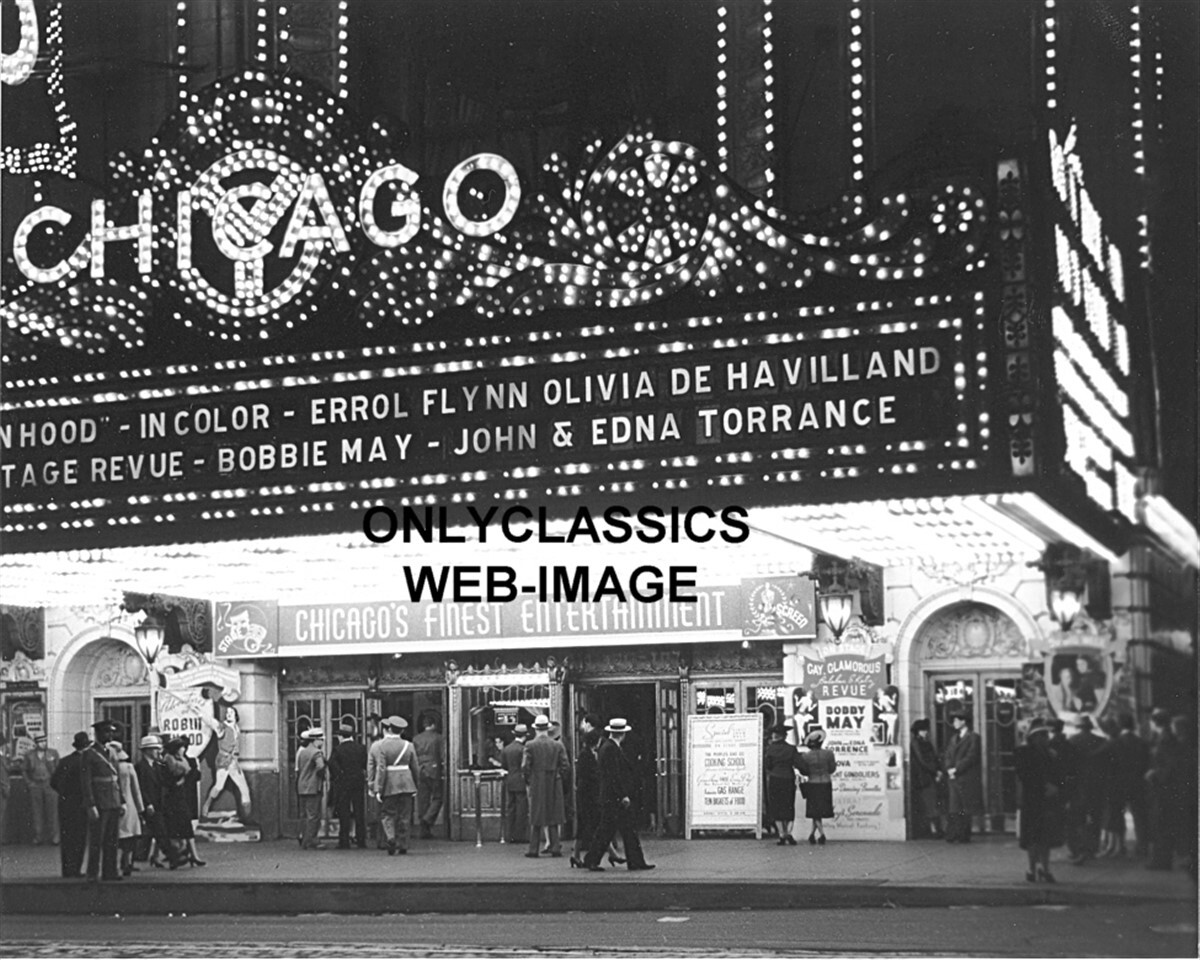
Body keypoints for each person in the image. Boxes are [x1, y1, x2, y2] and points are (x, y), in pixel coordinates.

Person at [581, 718, 654, 872]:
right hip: (614, 798)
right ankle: (631, 861)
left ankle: (634, 861)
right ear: (622, 734)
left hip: (611, 797)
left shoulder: (608, 747)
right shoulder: (611, 749)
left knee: (620, 830)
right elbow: (614, 776)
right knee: (611, 830)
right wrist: (623, 795)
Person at [1015, 717, 1066, 883]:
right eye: (1042, 735)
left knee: (1044, 838)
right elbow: (1025, 776)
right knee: (1033, 838)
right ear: (1034, 737)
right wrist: (1046, 786)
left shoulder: (1050, 754)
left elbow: (1059, 774)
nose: (1045, 738)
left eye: (1046, 735)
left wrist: (1056, 786)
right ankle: (1033, 867)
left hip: (1043, 801)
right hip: (1033, 799)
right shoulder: (1025, 753)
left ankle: (1044, 868)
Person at [80, 719, 124, 882]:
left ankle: (110, 871)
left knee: (112, 839)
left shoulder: (112, 752)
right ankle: (92, 872)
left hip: (113, 800)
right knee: (97, 839)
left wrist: (122, 801)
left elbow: (117, 778)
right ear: (98, 734)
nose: (110, 735)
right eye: (106, 732)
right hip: (99, 802)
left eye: (111, 732)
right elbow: (86, 781)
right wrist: (91, 804)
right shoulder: (89, 754)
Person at [368, 715, 418, 855]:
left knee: (387, 814)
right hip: (407, 783)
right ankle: (403, 844)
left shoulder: (382, 746)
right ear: (401, 731)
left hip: (390, 784)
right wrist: (415, 785)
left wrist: (378, 789)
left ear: (389, 729)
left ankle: (390, 838)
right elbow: (415, 767)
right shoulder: (409, 745)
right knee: (405, 816)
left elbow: (381, 769)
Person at [521, 715, 569, 858]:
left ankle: (533, 849)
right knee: (553, 815)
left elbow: (525, 766)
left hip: (537, 781)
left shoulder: (529, 745)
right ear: (548, 729)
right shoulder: (558, 745)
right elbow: (566, 766)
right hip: (554, 781)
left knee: (536, 815)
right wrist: (558, 776)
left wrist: (529, 780)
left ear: (536, 729)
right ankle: (555, 847)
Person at [1145, 708, 1185, 870]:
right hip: (1164, 787)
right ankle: (1161, 858)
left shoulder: (1165, 739)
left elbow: (1170, 765)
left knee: (1161, 822)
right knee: (1162, 822)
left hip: (1164, 788)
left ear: (1155, 722)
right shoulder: (1166, 737)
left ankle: (1161, 860)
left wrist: (1154, 774)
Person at [1066, 714, 1108, 864]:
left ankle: (1078, 848)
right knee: (1095, 817)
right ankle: (1092, 848)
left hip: (1078, 785)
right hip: (1096, 785)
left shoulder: (1072, 741)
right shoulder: (1101, 742)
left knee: (1077, 818)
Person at [1106, 713, 1150, 858]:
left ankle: (1120, 846)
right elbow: (1147, 763)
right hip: (1138, 783)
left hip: (1118, 784)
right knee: (1140, 816)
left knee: (1117, 816)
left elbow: (1110, 765)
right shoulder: (1142, 742)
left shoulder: (1114, 742)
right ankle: (1143, 847)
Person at [200, 704, 252, 822]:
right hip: (224, 760)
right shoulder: (222, 727)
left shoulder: (236, 728)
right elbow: (211, 722)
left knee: (244, 788)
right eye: (227, 712)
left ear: (235, 715)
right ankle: (207, 805)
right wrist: (201, 714)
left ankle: (248, 817)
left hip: (234, 762)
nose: (228, 714)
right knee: (219, 787)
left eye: (231, 712)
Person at [50, 731, 91, 877]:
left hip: (65, 803)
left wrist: (64, 793)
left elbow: (53, 781)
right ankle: (76, 868)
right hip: (81, 803)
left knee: (67, 837)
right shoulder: (86, 762)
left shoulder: (65, 761)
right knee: (79, 837)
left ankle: (67, 869)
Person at [134, 734, 178, 868]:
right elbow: (141, 787)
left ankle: (138, 859)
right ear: (147, 750)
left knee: (156, 832)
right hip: (150, 805)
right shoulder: (140, 767)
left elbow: (165, 781)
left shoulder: (157, 766)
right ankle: (172, 857)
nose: (158, 752)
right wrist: (147, 803)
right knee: (160, 832)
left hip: (159, 803)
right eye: (154, 749)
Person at [162, 737, 205, 867]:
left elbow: (195, 775)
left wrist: (184, 778)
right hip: (171, 799)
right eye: (181, 748)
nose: (184, 750)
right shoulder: (168, 761)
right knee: (174, 829)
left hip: (182, 798)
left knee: (186, 827)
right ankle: (176, 856)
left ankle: (192, 855)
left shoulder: (186, 760)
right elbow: (167, 780)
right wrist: (180, 779)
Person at [942, 712, 982, 843]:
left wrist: (957, 768)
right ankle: (953, 834)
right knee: (954, 807)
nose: (954, 723)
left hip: (966, 777)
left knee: (965, 807)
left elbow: (972, 756)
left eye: (956, 720)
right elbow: (947, 754)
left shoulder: (973, 737)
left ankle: (963, 835)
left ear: (963, 721)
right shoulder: (953, 738)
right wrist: (949, 768)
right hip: (953, 778)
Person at [328, 722, 368, 849]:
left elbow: (331, 764)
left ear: (340, 736)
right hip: (358, 781)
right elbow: (364, 764)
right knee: (359, 811)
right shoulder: (361, 748)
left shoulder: (338, 749)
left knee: (344, 811)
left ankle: (344, 840)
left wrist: (339, 776)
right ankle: (361, 839)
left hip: (343, 783)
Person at [571, 715, 603, 867]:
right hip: (588, 795)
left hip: (585, 794)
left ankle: (576, 856)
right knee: (594, 825)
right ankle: (606, 855)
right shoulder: (587, 755)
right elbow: (589, 775)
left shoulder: (587, 754)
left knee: (586, 826)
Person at [796, 727, 837, 844]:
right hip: (825, 783)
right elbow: (832, 769)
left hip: (813, 784)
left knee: (815, 811)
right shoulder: (829, 754)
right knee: (819, 811)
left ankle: (820, 834)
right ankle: (814, 834)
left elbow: (804, 771)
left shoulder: (806, 756)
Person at [764, 723, 801, 845]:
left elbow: (767, 765)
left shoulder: (770, 749)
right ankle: (789, 833)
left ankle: (781, 834)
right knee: (789, 806)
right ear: (785, 736)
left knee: (777, 807)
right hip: (788, 779)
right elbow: (798, 764)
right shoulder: (791, 749)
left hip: (775, 779)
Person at [23, 733, 61, 845]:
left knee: (53, 812)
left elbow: (58, 769)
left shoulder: (53, 753)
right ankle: (38, 836)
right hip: (35, 784)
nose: (43, 743)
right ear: (35, 743)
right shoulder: (29, 755)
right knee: (36, 811)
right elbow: (24, 770)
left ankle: (55, 837)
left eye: (44, 741)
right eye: (40, 741)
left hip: (50, 784)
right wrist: (29, 783)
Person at [909, 719, 943, 839]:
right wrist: (936, 771)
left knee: (931, 803)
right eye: (923, 730)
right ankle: (934, 830)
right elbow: (923, 760)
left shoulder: (922, 742)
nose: (926, 732)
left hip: (926, 777)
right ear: (918, 731)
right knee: (930, 803)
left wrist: (937, 770)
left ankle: (934, 829)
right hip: (924, 778)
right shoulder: (917, 743)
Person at [295, 727, 328, 851]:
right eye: (321, 740)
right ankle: (311, 840)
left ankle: (303, 837)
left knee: (304, 815)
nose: (322, 742)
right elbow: (320, 766)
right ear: (316, 740)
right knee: (313, 815)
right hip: (313, 787)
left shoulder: (303, 751)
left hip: (302, 786)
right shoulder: (316, 752)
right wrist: (320, 777)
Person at [412, 716, 445, 839]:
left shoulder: (416, 738)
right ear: (433, 725)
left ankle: (424, 828)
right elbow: (443, 755)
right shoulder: (438, 737)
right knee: (438, 797)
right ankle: (428, 818)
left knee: (423, 799)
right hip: (434, 769)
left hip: (420, 770)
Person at [114, 745, 144, 877]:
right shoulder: (128, 767)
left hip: (113, 805)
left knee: (117, 837)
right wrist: (140, 808)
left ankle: (116, 864)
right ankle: (127, 863)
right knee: (130, 837)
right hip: (129, 805)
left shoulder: (109, 768)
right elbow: (136, 789)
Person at [501, 724, 529, 844]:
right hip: (521, 781)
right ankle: (520, 836)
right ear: (525, 736)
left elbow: (504, 766)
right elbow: (526, 766)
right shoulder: (523, 749)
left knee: (511, 809)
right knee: (521, 809)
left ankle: (509, 835)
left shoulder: (506, 749)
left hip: (510, 780)